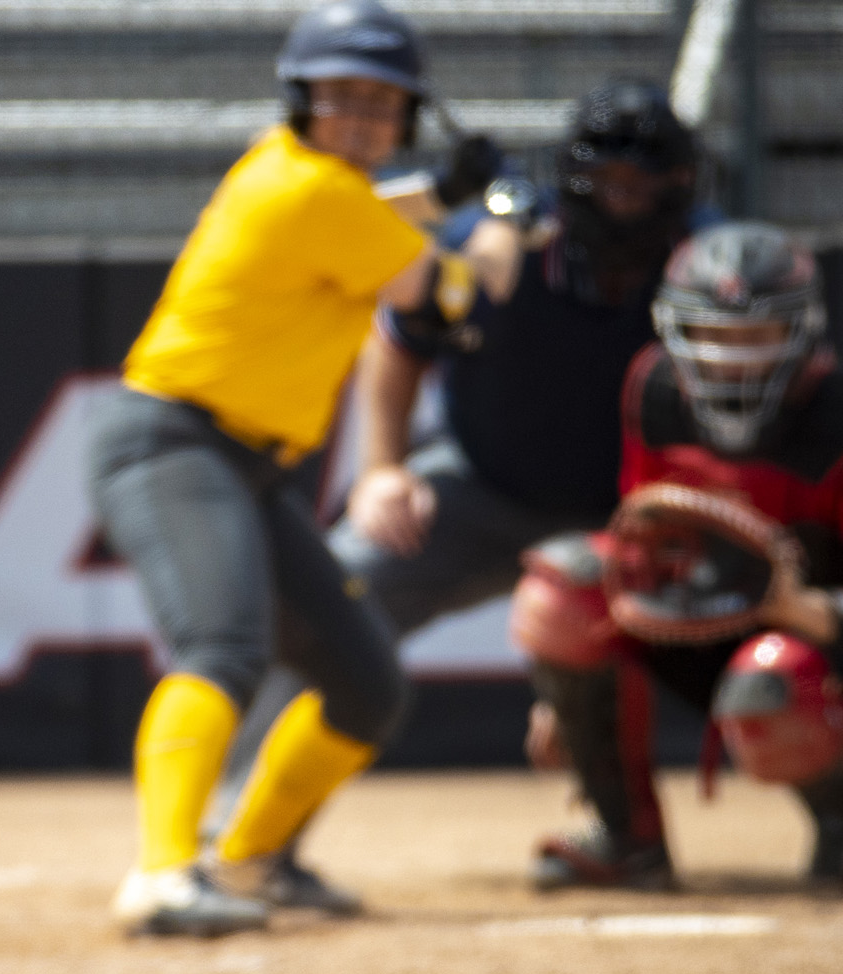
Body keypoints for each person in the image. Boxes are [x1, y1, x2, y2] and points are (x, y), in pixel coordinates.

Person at [210, 79, 712, 910]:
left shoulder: (712, 264)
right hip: (480, 487)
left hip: (635, 518)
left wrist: (577, 676)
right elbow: (400, 341)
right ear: (578, 181)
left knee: (790, 636)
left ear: (682, 185)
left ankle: (760, 818)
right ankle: (241, 834)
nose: (627, 206)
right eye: (611, 184)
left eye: (645, 187)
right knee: (338, 588)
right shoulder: (502, 241)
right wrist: (381, 469)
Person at [91, 0, 498, 937]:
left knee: (369, 685)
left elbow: (372, 215)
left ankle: (252, 863)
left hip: (244, 464)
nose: (359, 114)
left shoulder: (308, 181)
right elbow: (446, 288)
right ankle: (162, 874)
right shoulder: (312, 189)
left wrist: (441, 195)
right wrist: (502, 221)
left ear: (407, 113)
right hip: (175, 442)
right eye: (339, 95)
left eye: (381, 100)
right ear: (300, 99)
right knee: (221, 648)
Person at [514, 222, 843, 890]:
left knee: (773, 672)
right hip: (707, 626)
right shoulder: (653, 389)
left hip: (818, 651)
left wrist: (807, 611)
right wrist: (565, 699)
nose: (733, 358)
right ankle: (625, 837)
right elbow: (642, 544)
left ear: (804, 332)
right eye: (714, 335)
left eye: (758, 335)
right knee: (565, 592)